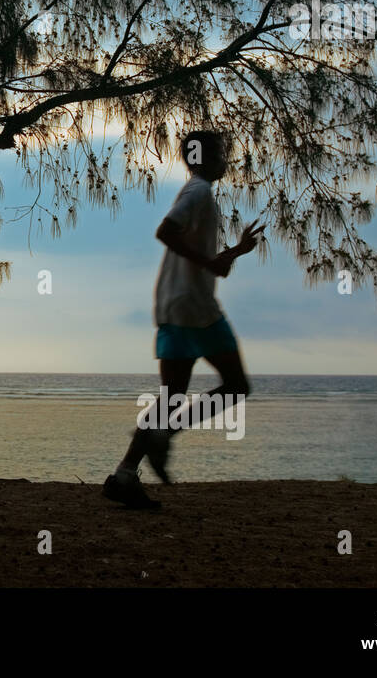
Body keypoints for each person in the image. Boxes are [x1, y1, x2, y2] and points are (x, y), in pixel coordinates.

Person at [104, 131, 262, 509]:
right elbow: (165, 231)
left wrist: (235, 251)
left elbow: (209, 266)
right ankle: (165, 434)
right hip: (196, 310)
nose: (226, 160)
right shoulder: (198, 192)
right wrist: (210, 263)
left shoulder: (198, 193)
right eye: (222, 153)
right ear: (206, 159)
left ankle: (125, 474)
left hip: (176, 306)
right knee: (237, 385)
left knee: (172, 396)